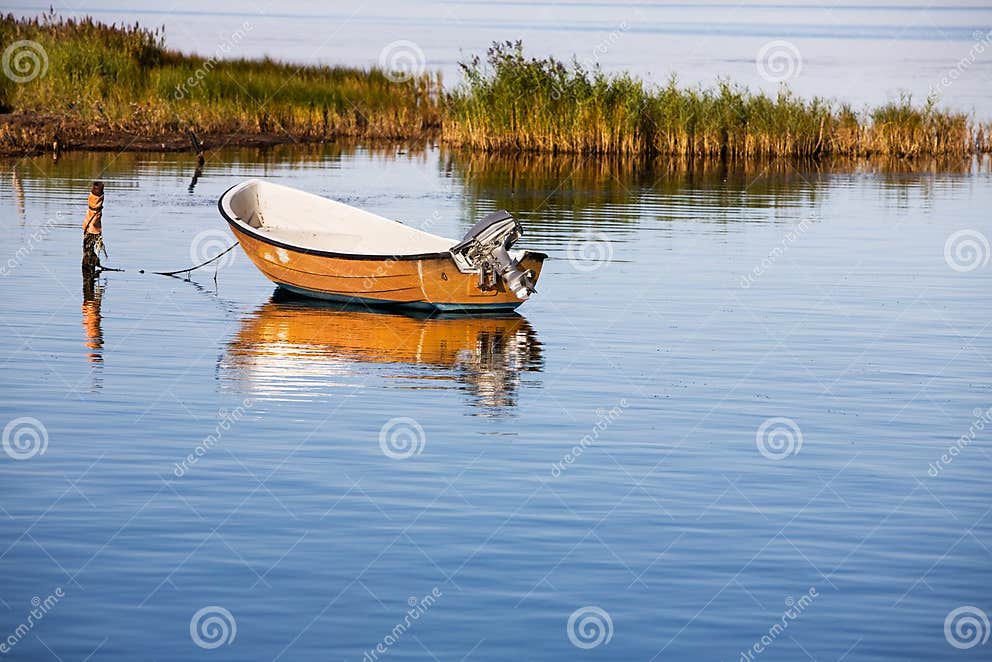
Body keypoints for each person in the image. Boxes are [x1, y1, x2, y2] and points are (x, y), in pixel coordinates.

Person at [82, 181, 106, 275]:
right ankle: (91, 263)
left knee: (88, 248)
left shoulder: (95, 210)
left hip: (92, 226)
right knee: (88, 248)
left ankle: (91, 264)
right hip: (91, 225)